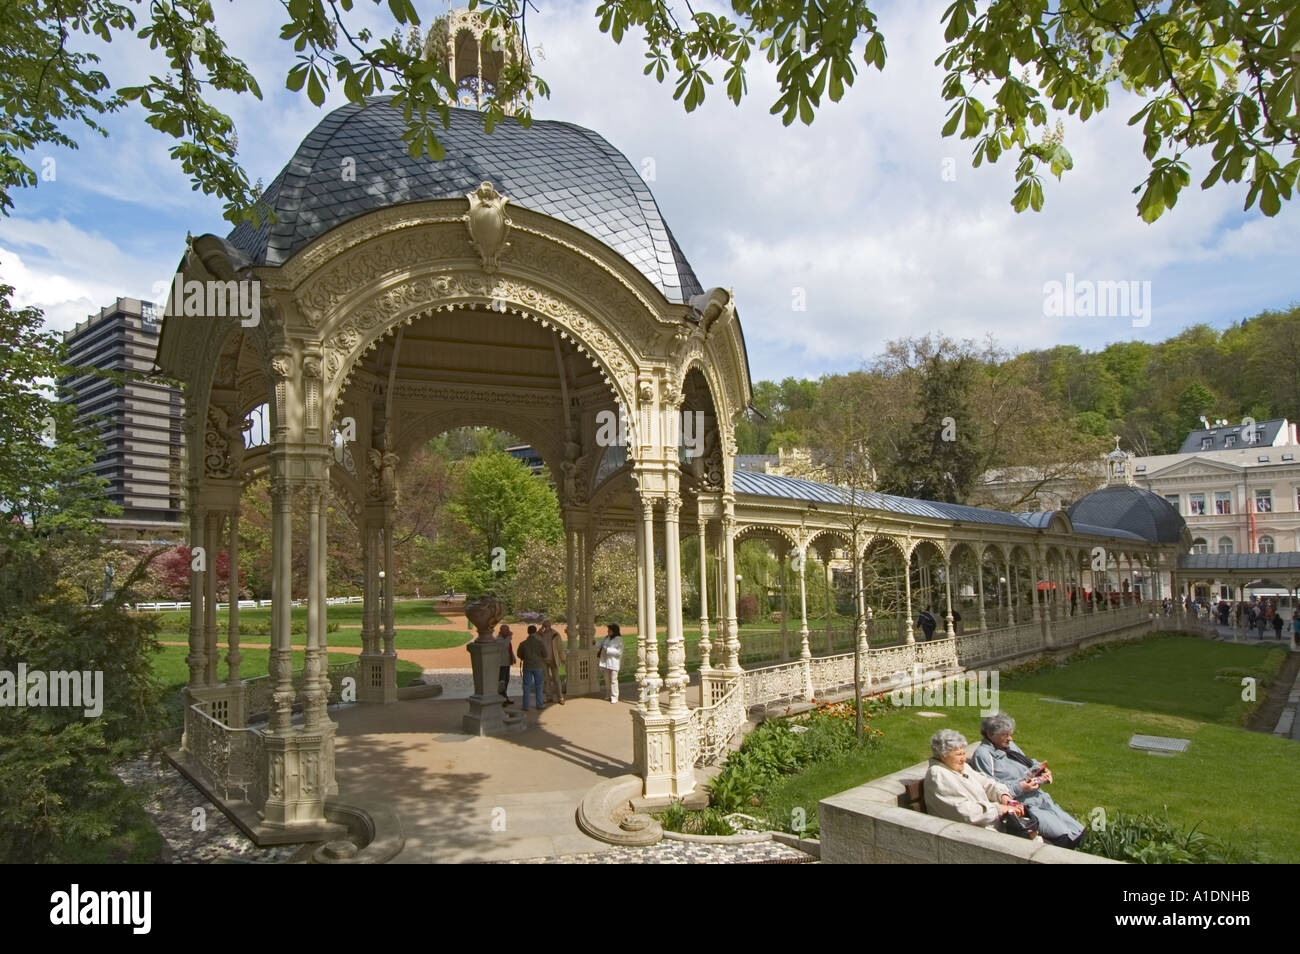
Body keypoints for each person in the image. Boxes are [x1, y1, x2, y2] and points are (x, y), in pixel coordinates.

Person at [970, 712, 1086, 849]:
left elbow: (1028, 763)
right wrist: (1020, 787)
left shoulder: (1010, 746)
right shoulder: (983, 755)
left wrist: (1042, 771)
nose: (1010, 739)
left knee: (1079, 831)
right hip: (1024, 804)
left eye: (1010, 734)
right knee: (1063, 836)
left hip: (1040, 797)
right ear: (990, 735)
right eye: (1005, 735)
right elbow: (991, 785)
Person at [923, 729, 1023, 832]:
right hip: (967, 833)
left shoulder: (961, 767)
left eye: (963, 753)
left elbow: (986, 783)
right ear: (943, 755)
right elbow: (966, 813)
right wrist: (999, 809)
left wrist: (1003, 796)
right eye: (958, 754)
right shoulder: (938, 775)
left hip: (987, 825)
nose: (963, 759)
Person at [516, 624, 548, 711]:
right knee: (539, 686)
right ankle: (539, 704)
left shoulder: (523, 643)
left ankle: (526, 706)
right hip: (538, 665)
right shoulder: (539, 643)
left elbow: (519, 654)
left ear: (528, 632)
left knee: (526, 686)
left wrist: (524, 657)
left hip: (527, 666)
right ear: (535, 632)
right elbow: (545, 654)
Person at [596, 624, 623, 704]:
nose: (608, 631)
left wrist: (608, 650)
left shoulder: (619, 640)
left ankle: (614, 696)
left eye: (610, 630)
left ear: (614, 631)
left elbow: (619, 652)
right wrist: (594, 643)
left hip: (614, 662)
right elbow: (600, 645)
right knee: (607, 680)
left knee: (613, 680)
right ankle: (608, 694)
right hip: (606, 662)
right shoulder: (606, 638)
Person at [540, 620, 565, 705]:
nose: (546, 628)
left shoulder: (556, 634)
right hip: (543, 660)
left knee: (556, 679)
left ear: (550, 626)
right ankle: (549, 697)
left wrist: (562, 658)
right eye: (544, 626)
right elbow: (534, 639)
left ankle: (560, 697)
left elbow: (560, 647)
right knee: (546, 680)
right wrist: (539, 631)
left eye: (547, 626)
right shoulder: (540, 635)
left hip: (553, 659)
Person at [496, 624, 516, 703]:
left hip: (506, 663)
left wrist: (513, 657)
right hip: (501, 664)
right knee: (502, 682)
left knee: (506, 680)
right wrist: (509, 637)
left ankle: (505, 697)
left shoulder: (505, 639)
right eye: (506, 630)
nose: (508, 632)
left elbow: (509, 648)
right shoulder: (498, 639)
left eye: (508, 630)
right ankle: (501, 699)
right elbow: (504, 646)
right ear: (501, 631)